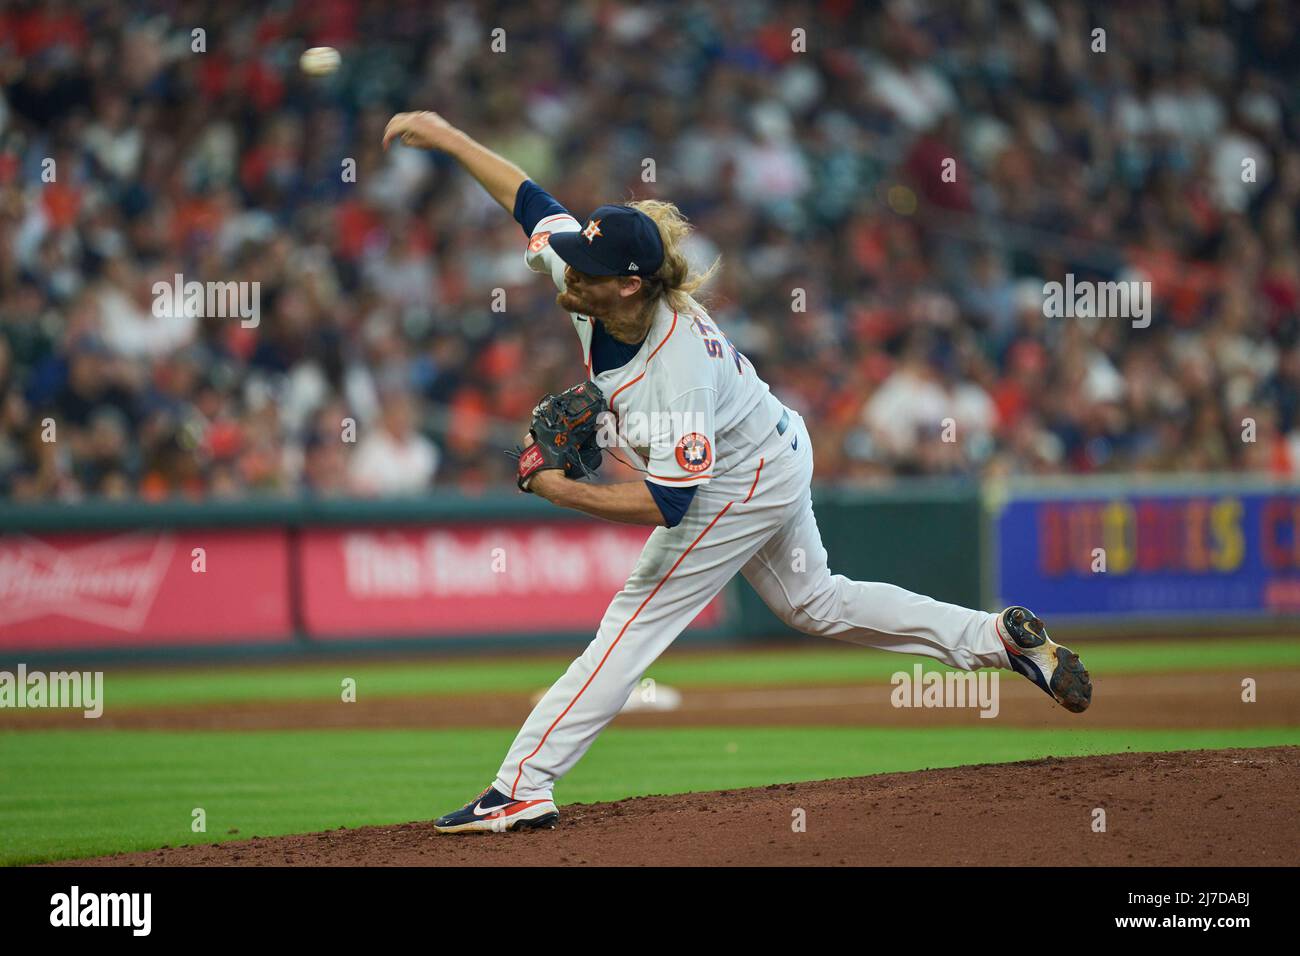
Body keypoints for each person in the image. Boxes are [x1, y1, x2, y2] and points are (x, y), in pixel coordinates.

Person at [381, 111, 1092, 834]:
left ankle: (522, 786)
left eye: (589, 270)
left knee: (635, 618)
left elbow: (671, 503)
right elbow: (529, 200)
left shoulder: (675, 366)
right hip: (772, 441)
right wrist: (448, 137)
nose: (569, 272)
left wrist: (558, 488)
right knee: (815, 602)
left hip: (742, 473)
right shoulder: (590, 271)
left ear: (628, 287)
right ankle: (996, 640)